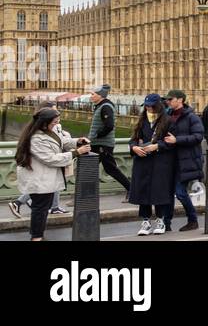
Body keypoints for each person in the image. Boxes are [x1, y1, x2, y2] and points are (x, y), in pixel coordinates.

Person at [14, 107, 90, 240]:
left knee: (43, 208)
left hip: (45, 177)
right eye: (55, 122)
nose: (57, 124)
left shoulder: (48, 131)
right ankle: (36, 238)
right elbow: (50, 159)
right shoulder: (36, 138)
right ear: (44, 122)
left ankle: (38, 236)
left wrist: (77, 141)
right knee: (40, 209)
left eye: (58, 121)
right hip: (39, 178)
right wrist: (76, 152)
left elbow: (61, 142)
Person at [127, 93, 178, 235]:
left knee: (159, 192)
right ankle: (146, 221)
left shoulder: (168, 121)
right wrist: (134, 147)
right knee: (143, 192)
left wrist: (157, 146)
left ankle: (160, 220)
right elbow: (133, 139)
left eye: (151, 106)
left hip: (160, 162)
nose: (148, 108)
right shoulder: (142, 120)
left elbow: (172, 142)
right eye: (146, 106)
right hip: (142, 161)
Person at [160, 89, 205, 231]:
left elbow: (198, 137)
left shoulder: (192, 117)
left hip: (186, 161)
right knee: (167, 193)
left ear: (180, 100)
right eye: (167, 100)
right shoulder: (167, 115)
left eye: (170, 99)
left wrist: (177, 140)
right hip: (169, 160)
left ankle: (193, 220)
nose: (168, 102)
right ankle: (166, 223)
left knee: (180, 192)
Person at [87, 84, 132, 198]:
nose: (91, 96)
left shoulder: (106, 107)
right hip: (98, 144)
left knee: (93, 169)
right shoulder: (100, 106)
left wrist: (97, 135)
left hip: (102, 145)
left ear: (100, 95)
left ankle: (85, 195)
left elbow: (109, 126)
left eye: (93, 94)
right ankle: (131, 189)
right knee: (96, 169)